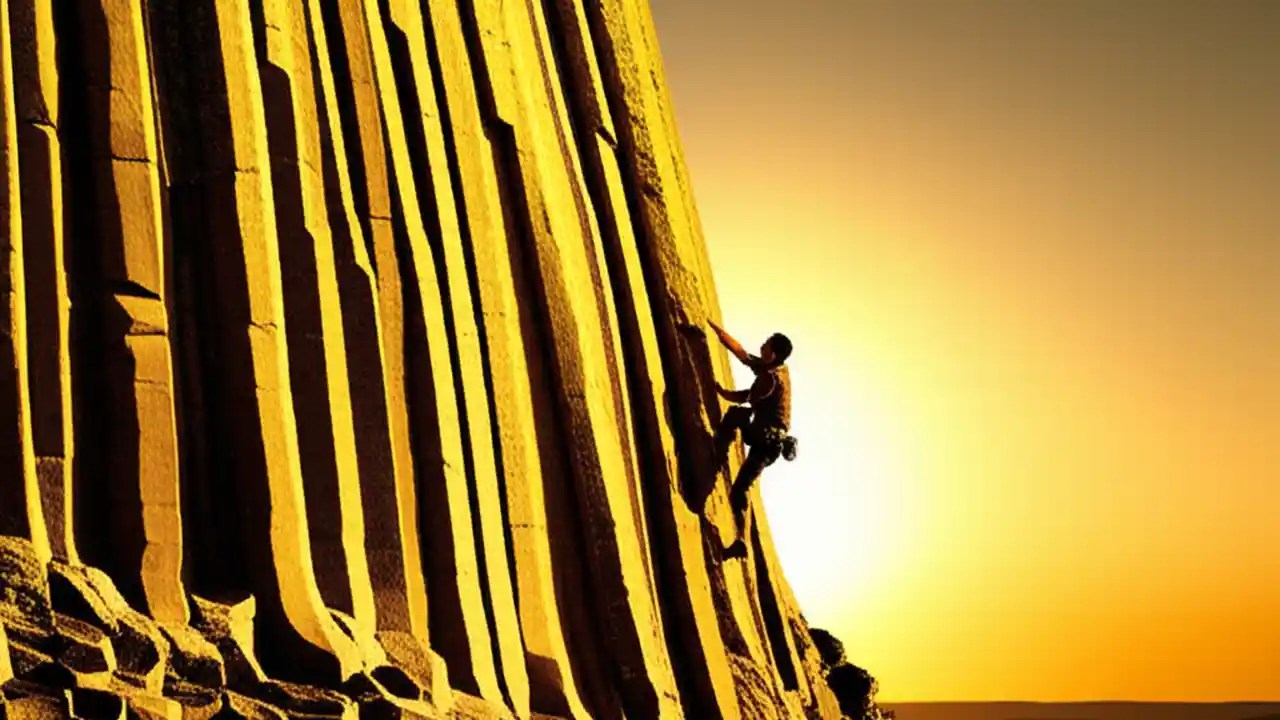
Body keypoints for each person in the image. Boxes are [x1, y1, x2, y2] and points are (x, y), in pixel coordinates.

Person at [706, 319, 796, 560]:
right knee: (740, 490)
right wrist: (716, 330)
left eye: (767, 345)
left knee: (736, 414)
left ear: (773, 353)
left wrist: (722, 392)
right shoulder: (776, 369)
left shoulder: (771, 378)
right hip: (770, 443)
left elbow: (747, 397)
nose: (763, 345)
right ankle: (741, 541)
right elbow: (742, 354)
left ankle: (718, 451)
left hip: (764, 438)